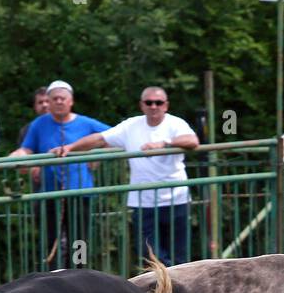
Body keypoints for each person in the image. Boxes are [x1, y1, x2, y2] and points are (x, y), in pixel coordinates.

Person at [54, 86, 199, 267]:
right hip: (143, 201)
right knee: (147, 254)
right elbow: (100, 138)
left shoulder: (176, 124)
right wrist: (70, 148)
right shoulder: (131, 125)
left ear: (166, 105)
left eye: (158, 102)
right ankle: (164, 282)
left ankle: (174, 285)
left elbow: (193, 141)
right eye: (149, 102)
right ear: (142, 105)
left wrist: (164, 143)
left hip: (176, 199)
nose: (153, 106)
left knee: (179, 255)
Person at [9, 80, 110, 267]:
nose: (59, 102)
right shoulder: (39, 124)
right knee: (50, 241)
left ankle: (81, 276)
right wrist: (17, 157)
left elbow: (114, 137)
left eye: (62, 98)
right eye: (54, 98)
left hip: (80, 193)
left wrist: (97, 156)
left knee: (79, 241)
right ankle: (54, 278)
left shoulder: (86, 123)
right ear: (49, 100)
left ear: (71, 101)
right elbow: (27, 149)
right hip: (49, 193)